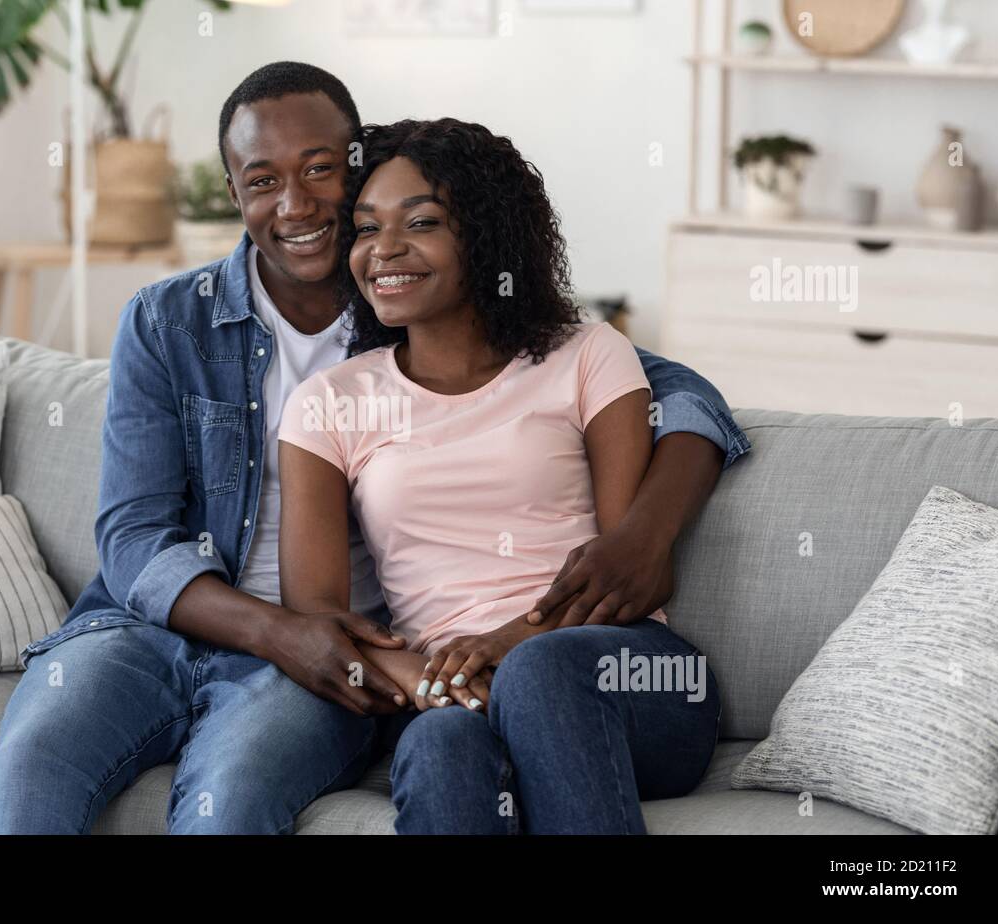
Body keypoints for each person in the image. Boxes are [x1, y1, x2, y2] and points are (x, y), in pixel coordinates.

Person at [0, 62, 747, 835]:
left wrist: (647, 533)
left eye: (321, 169)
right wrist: (292, 635)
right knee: (35, 767)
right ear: (234, 195)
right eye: (262, 181)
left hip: (385, 663)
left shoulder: (460, 316)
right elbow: (133, 539)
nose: (296, 204)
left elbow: (679, 394)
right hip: (200, 636)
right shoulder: (173, 322)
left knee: (237, 799)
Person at [278, 118, 722, 834]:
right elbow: (319, 617)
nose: (384, 249)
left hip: (629, 678)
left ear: (486, 236)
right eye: (365, 229)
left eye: (421, 222)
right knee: (438, 743)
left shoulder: (589, 355)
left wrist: (508, 645)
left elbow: (635, 576)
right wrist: (432, 680)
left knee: (541, 674)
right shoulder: (329, 404)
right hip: (455, 697)